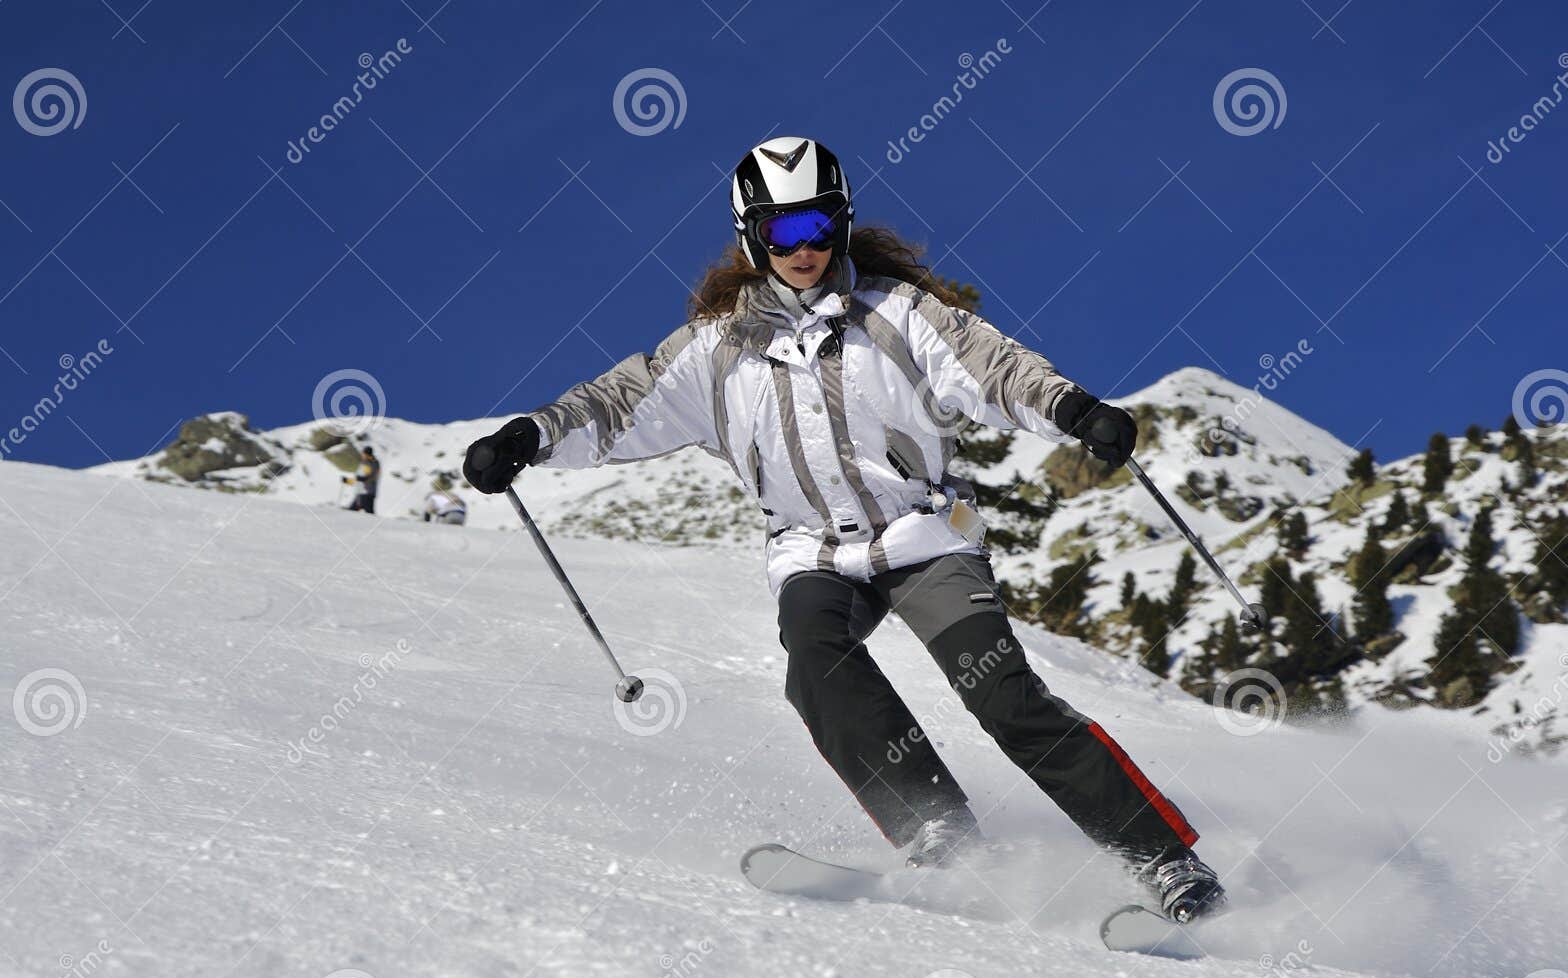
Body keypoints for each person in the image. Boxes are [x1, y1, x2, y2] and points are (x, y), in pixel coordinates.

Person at [463, 136, 1223, 922]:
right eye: (785, 231)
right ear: (752, 235)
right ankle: (939, 833)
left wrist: (1074, 410)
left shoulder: (900, 316)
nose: (806, 249)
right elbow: (618, 404)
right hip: (812, 550)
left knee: (999, 692)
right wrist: (531, 437)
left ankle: (1165, 861)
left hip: (924, 535)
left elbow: (996, 369)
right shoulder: (714, 353)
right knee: (813, 660)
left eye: (822, 226)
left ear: (844, 222)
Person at [349, 447, 380, 514]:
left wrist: (364, 479)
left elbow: (373, 477)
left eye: (364, 454)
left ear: (367, 454)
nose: (362, 455)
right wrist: (348, 481)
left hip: (368, 493)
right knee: (352, 510)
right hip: (361, 491)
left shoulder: (374, 463)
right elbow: (359, 476)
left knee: (368, 514)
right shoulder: (364, 462)